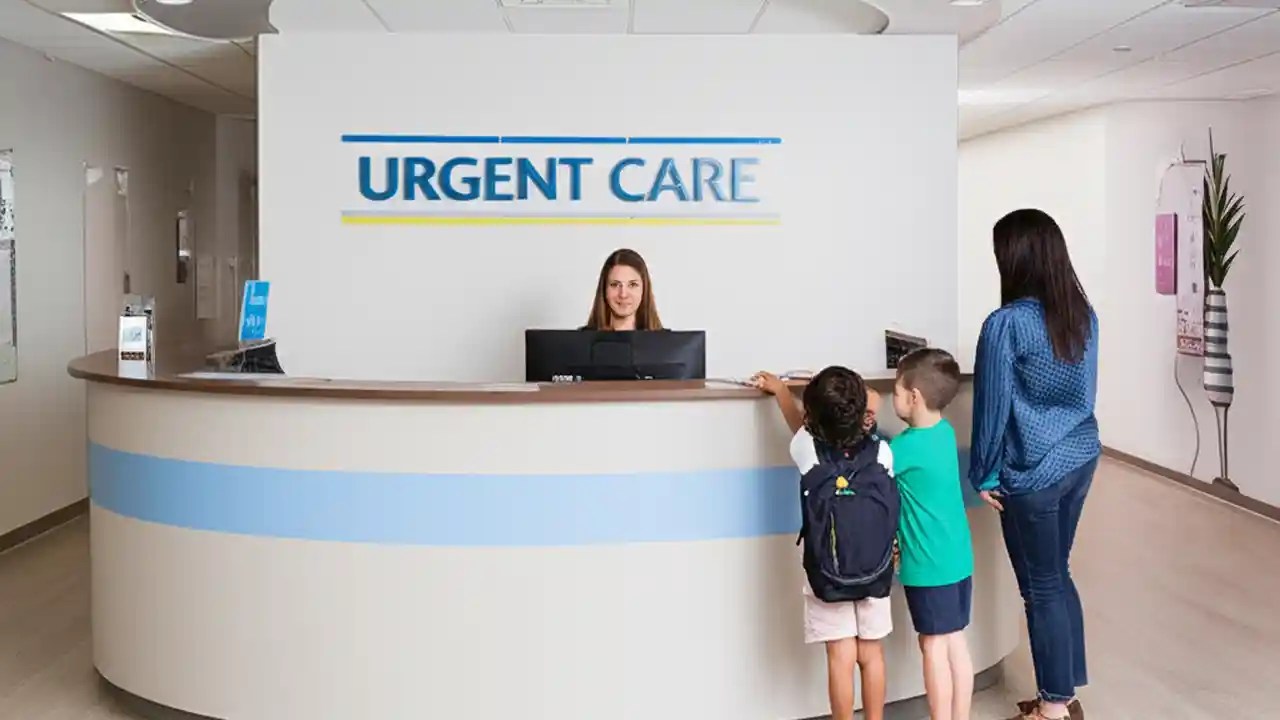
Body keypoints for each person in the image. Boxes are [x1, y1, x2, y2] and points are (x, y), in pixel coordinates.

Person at [968, 209, 1100, 720]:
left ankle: (1052, 708)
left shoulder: (1006, 324)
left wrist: (984, 472)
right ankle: (1064, 692)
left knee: (1041, 584)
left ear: (1016, 258)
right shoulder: (1082, 314)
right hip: (1080, 457)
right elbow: (1084, 394)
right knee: (1055, 574)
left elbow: (992, 405)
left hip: (1033, 474)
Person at [753, 367, 892, 720]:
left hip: (826, 573)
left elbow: (799, 425)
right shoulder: (883, 453)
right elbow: (870, 400)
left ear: (812, 417)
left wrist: (783, 391)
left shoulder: (805, 449)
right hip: (876, 570)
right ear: (862, 413)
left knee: (840, 655)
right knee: (872, 654)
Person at [889, 348, 974, 720]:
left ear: (913, 397)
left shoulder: (903, 448)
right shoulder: (945, 432)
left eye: (894, 391)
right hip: (957, 559)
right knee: (955, 641)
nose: (892, 398)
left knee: (933, 646)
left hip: (927, 565)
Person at [583, 248, 663, 331]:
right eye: (615, 285)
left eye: (632, 285)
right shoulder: (579, 341)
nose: (623, 294)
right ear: (604, 289)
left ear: (644, 289)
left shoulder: (666, 342)